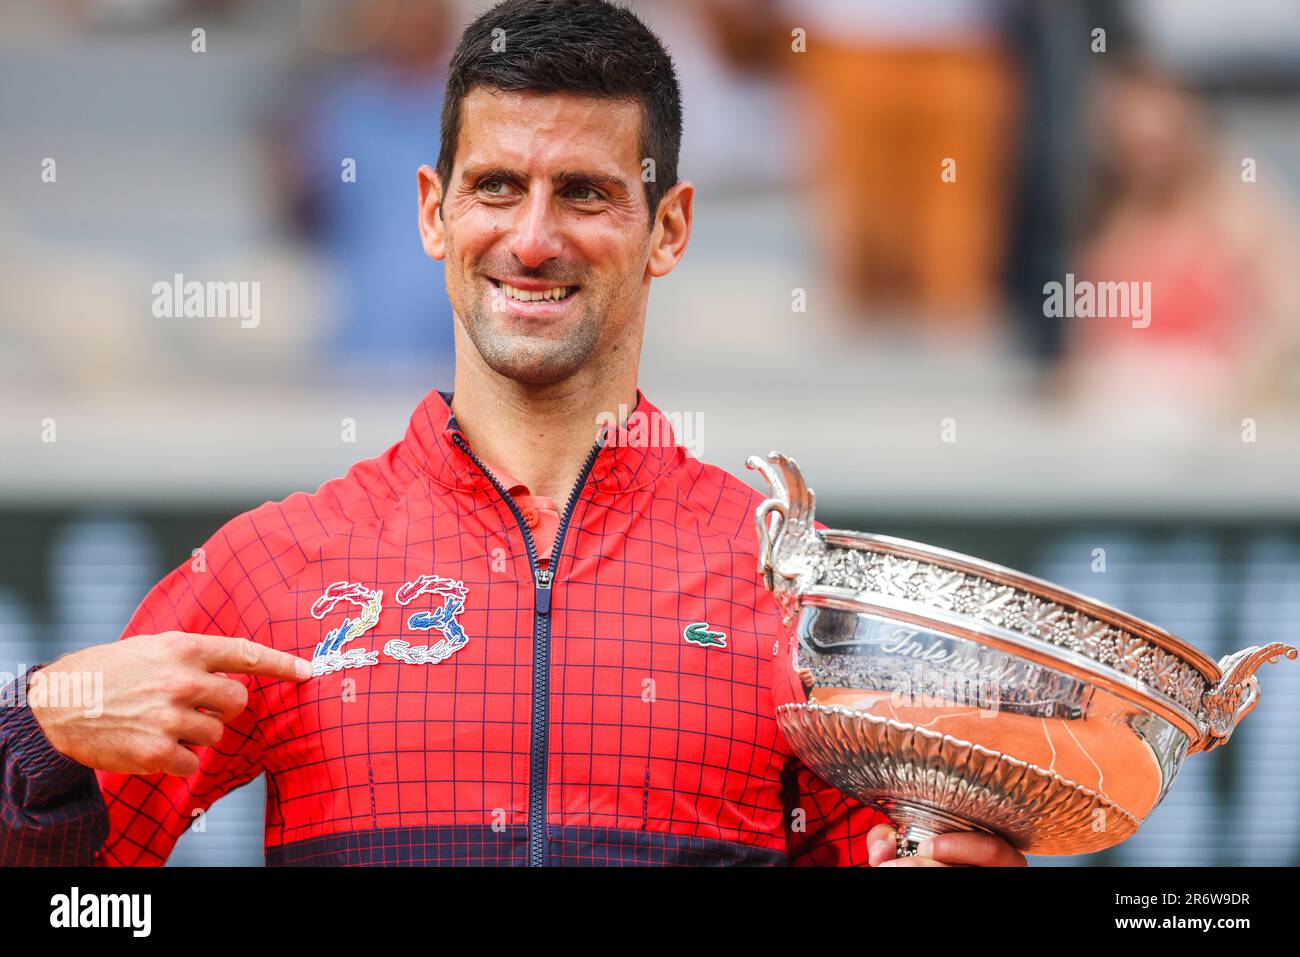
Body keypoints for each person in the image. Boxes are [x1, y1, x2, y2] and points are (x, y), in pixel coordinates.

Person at [0, 0, 1024, 868]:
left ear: (668, 228)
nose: (532, 240)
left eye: (584, 192)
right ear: (433, 211)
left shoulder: (792, 594)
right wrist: (39, 726)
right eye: (497, 186)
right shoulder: (274, 569)